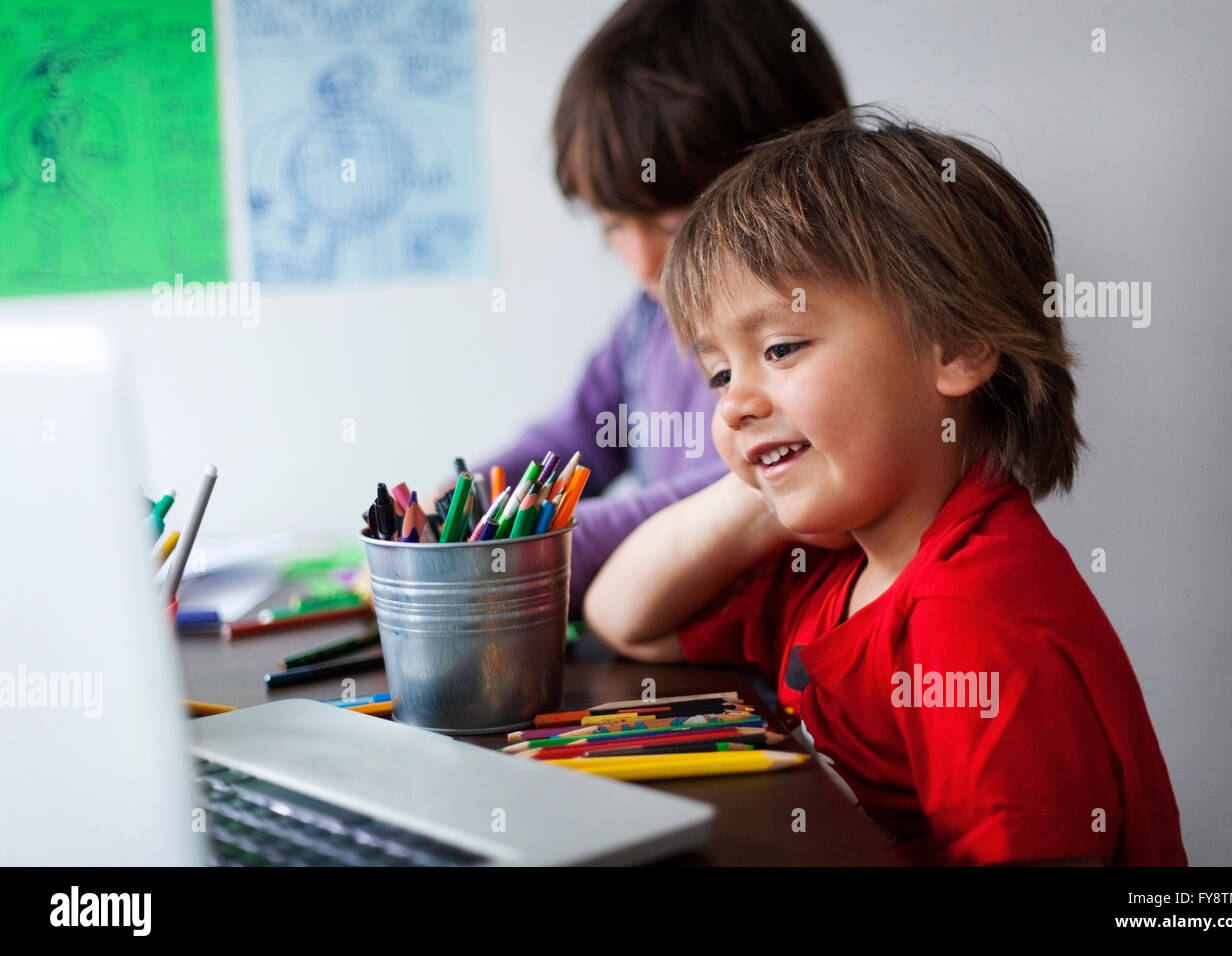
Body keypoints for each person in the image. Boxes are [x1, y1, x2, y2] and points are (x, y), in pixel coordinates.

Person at [584, 108, 1188, 866]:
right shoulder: (838, 571)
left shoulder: (971, 628)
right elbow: (623, 619)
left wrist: (787, 464)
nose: (733, 403)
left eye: (780, 347)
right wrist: (765, 488)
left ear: (959, 345)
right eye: (719, 374)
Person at [432, 0, 850, 616]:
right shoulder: (646, 320)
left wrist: (527, 549)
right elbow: (575, 436)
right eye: (612, 229)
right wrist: (472, 499)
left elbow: (752, 485)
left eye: (673, 226)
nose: (642, 264)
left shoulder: (808, 330)